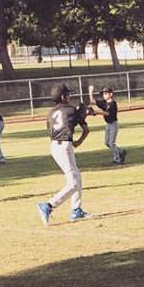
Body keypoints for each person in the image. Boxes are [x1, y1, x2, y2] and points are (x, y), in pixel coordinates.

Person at [37, 83, 91, 225]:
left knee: (76, 177)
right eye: (68, 94)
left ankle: (76, 210)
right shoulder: (71, 110)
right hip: (64, 146)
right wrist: (85, 113)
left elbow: (50, 130)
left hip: (55, 145)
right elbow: (84, 127)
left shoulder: (50, 112)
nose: (70, 96)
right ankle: (48, 205)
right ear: (63, 97)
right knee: (73, 182)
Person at [89, 83, 126, 165]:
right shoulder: (104, 103)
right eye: (103, 94)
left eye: (106, 93)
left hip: (113, 124)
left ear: (111, 94)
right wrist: (90, 91)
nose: (104, 95)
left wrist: (96, 112)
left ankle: (118, 159)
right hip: (108, 125)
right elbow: (92, 101)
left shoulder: (113, 104)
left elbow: (107, 113)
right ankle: (121, 151)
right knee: (107, 143)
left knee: (111, 143)